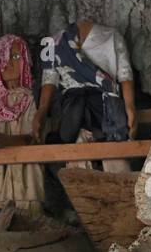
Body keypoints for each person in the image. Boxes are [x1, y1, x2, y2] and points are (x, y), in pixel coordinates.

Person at [33, 19, 136, 173]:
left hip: (105, 105)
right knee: (78, 154)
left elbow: (124, 74)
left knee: (114, 153)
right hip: (72, 107)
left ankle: (119, 190)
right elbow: (49, 79)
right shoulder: (53, 42)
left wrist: (130, 106)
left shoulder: (113, 36)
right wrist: (41, 110)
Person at [0, 34, 44, 223]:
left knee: (30, 213)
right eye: (4, 56)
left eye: (16, 57)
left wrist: (4, 140)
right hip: (4, 170)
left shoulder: (29, 98)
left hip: (27, 172)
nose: (9, 63)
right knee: (7, 215)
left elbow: (32, 137)